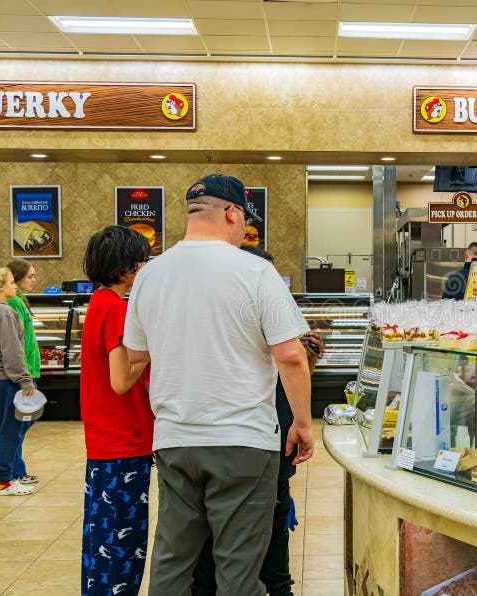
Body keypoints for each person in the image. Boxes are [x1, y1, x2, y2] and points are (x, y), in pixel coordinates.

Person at [123, 174, 314, 595]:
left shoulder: (150, 275)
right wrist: (302, 422)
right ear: (231, 213)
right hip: (243, 441)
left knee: (172, 562)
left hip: (174, 439)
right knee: (238, 570)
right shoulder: (255, 271)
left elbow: (135, 354)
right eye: (244, 220)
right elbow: (291, 355)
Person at [191, 245, 325, 596]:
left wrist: (308, 359)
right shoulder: (251, 316)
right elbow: (288, 361)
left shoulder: (222, 316)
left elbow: (291, 370)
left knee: (221, 540)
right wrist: (304, 424)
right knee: (261, 540)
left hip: (249, 443)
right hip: (256, 444)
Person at [79, 226, 154, 596]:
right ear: (127, 268)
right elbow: (121, 380)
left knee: (101, 543)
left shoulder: (98, 302)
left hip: (105, 440)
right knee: (123, 546)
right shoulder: (118, 309)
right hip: (124, 440)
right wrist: (151, 351)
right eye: (142, 262)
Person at [0, 259, 39, 485]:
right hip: (7, 378)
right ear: (1, 286)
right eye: (11, 282)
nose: (15, 286)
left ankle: (8, 475)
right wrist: (24, 379)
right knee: (10, 429)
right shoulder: (4, 312)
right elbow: (12, 350)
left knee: (10, 427)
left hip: (0, 377)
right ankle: (7, 479)